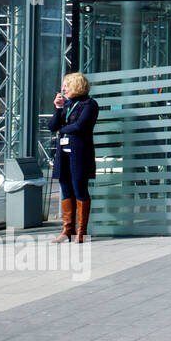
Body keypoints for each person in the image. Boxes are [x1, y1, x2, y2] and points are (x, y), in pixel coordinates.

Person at [48, 72, 100, 243]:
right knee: (65, 188)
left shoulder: (89, 104)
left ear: (76, 85)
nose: (63, 89)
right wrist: (57, 109)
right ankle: (67, 229)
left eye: (66, 86)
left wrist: (62, 130)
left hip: (80, 153)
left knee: (79, 188)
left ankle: (81, 231)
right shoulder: (66, 104)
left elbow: (80, 126)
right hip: (63, 154)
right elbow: (52, 126)